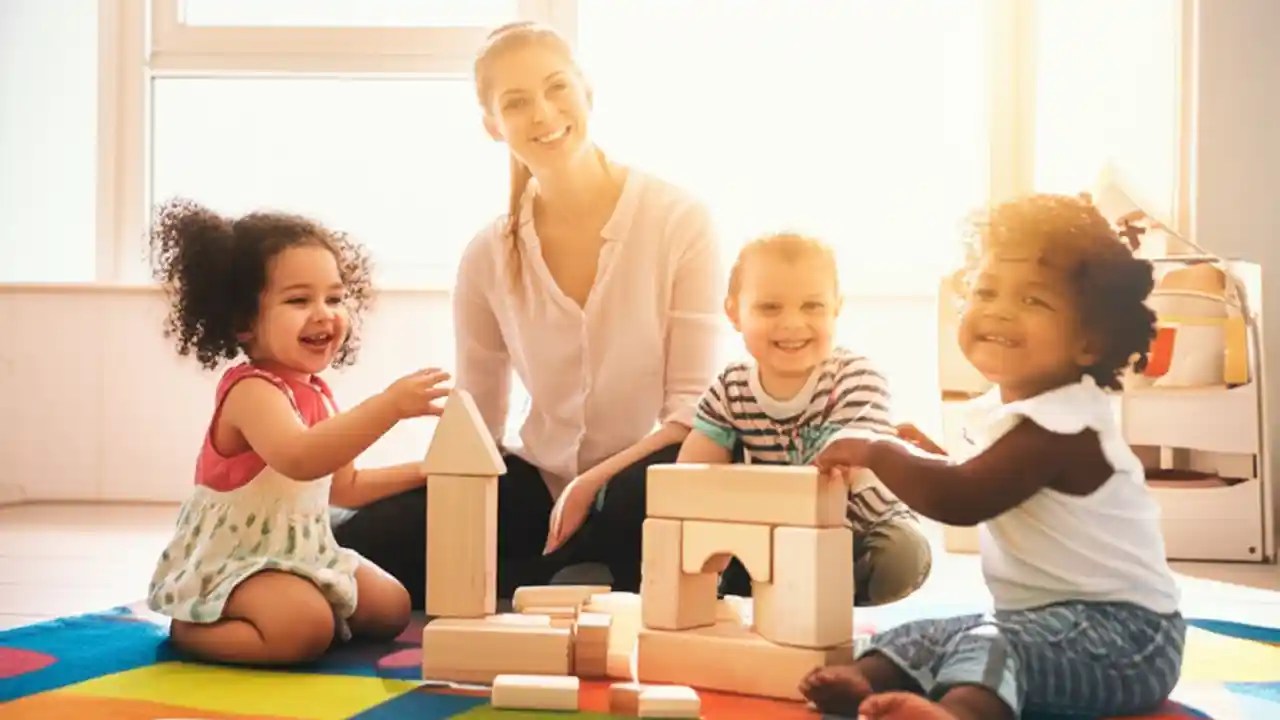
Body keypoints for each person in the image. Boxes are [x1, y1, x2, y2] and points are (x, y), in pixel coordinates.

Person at [333, 21, 723, 604]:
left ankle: (542, 578)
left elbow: (692, 410)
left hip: (647, 475)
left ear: (587, 91)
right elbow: (479, 421)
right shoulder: (487, 254)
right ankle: (577, 578)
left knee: (644, 503)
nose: (542, 113)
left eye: (556, 88)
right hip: (540, 480)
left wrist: (592, 483)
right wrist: (425, 491)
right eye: (516, 102)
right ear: (493, 124)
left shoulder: (680, 219)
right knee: (367, 543)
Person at [799, 194, 1185, 719]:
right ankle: (862, 684)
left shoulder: (1062, 425)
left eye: (1034, 301)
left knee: (990, 644)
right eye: (986, 291)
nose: (1000, 309)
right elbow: (983, 477)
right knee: (926, 634)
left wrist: (879, 450)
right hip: (1041, 620)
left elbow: (962, 496)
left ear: (1089, 343)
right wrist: (924, 453)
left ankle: (961, 714)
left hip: (1128, 640)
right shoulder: (1010, 413)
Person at [145, 198, 452, 665]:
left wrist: (427, 470)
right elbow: (301, 457)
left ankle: (299, 606)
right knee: (302, 632)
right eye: (298, 300)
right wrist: (389, 407)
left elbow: (344, 486)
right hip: (238, 561)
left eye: (334, 298)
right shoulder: (251, 392)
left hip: (304, 551)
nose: (324, 313)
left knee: (393, 607)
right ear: (242, 321)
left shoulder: (318, 394)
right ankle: (191, 629)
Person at [676, 232, 931, 606]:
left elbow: (832, 485)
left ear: (836, 308)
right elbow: (690, 477)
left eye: (812, 306)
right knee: (705, 543)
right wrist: (703, 537)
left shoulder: (856, 378)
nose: (793, 324)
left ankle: (810, 601)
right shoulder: (731, 387)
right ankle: (771, 592)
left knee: (900, 557)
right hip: (773, 532)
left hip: (857, 528)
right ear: (733, 313)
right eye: (769, 308)